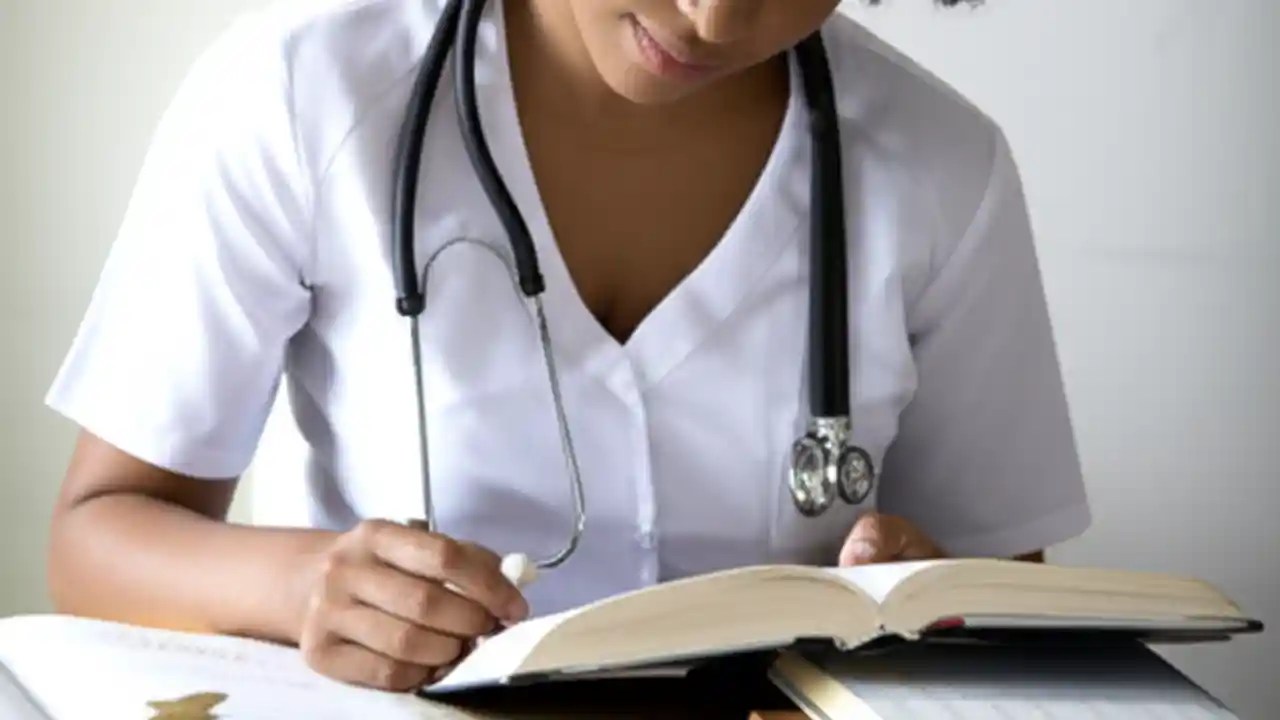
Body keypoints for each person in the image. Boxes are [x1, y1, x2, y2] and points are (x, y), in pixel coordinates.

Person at [43, 0, 1091, 694]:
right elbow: (96, 538)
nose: (713, 16)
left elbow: (1005, 594)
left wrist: (928, 595)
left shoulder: (941, 166)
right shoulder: (300, 93)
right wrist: (301, 586)